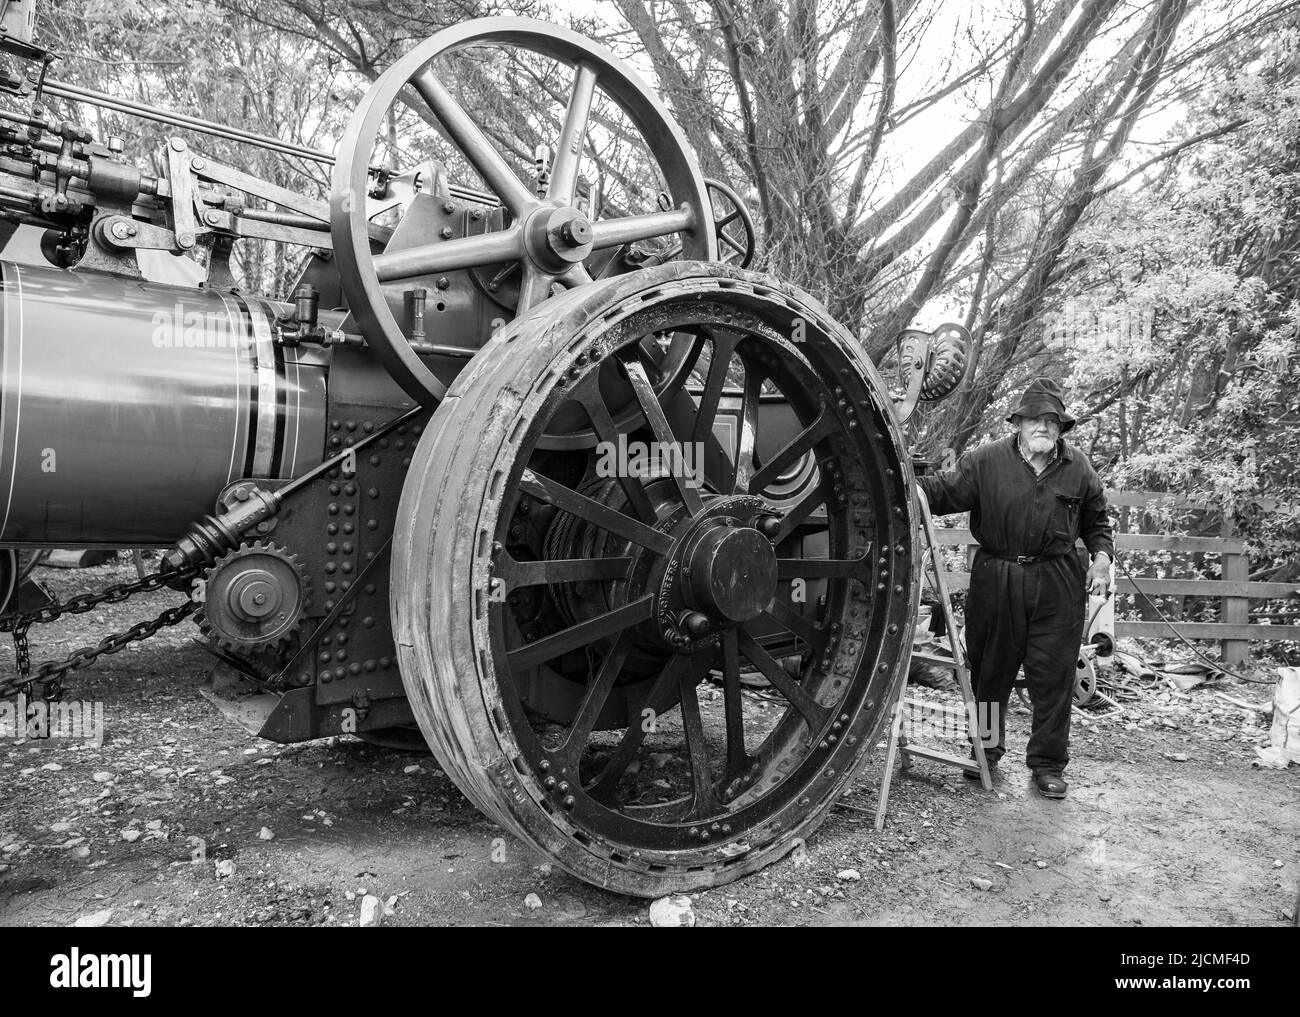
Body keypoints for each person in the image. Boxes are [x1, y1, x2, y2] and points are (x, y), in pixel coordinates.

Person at [916, 377, 1114, 799]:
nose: (1042, 426)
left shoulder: (1079, 467)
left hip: (1057, 581)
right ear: (1019, 423)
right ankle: (984, 752)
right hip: (997, 577)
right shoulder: (984, 461)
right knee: (990, 671)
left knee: (1054, 676)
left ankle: (1047, 764)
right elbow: (941, 492)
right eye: (1034, 419)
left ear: (1060, 427)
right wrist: (907, 486)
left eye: (1050, 420)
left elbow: (1097, 521)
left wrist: (1101, 557)